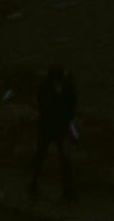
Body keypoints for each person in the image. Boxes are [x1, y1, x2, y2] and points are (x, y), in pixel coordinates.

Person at [26, 64, 81, 205]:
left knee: (42, 156)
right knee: (64, 161)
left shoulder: (44, 90)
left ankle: (34, 184)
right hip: (58, 129)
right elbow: (69, 107)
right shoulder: (60, 91)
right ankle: (67, 190)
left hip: (48, 128)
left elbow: (47, 106)